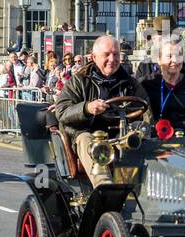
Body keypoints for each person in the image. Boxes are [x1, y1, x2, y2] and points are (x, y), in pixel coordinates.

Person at [55, 35, 146, 186]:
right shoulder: (79, 81)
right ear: (94, 57)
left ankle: (139, 190)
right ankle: (104, 187)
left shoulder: (130, 83)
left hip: (119, 135)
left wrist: (144, 131)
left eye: (116, 54)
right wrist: (86, 108)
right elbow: (61, 111)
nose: (112, 59)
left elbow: (145, 111)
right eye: (106, 55)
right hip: (85, 133)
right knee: (89, 141)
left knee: (138, 139)